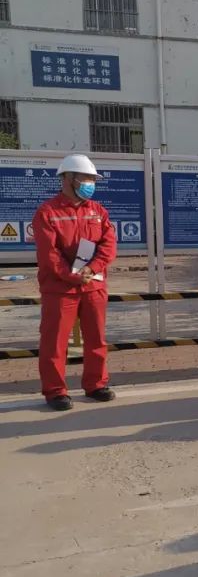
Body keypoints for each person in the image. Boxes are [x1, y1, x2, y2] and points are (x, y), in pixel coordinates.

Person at [34, 154, 118, 411]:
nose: (90, 183)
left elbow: (109, 243)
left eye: (93, 179)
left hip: (93, 284)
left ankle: (95, 385)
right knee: (55, 341)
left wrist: (92, 269)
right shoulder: (47, 212)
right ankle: (56, 391)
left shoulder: (97, 210)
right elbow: (49, 254)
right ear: (68, 178)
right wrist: (72, 275)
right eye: (86, 178)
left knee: (97, 338)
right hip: (60, 289)